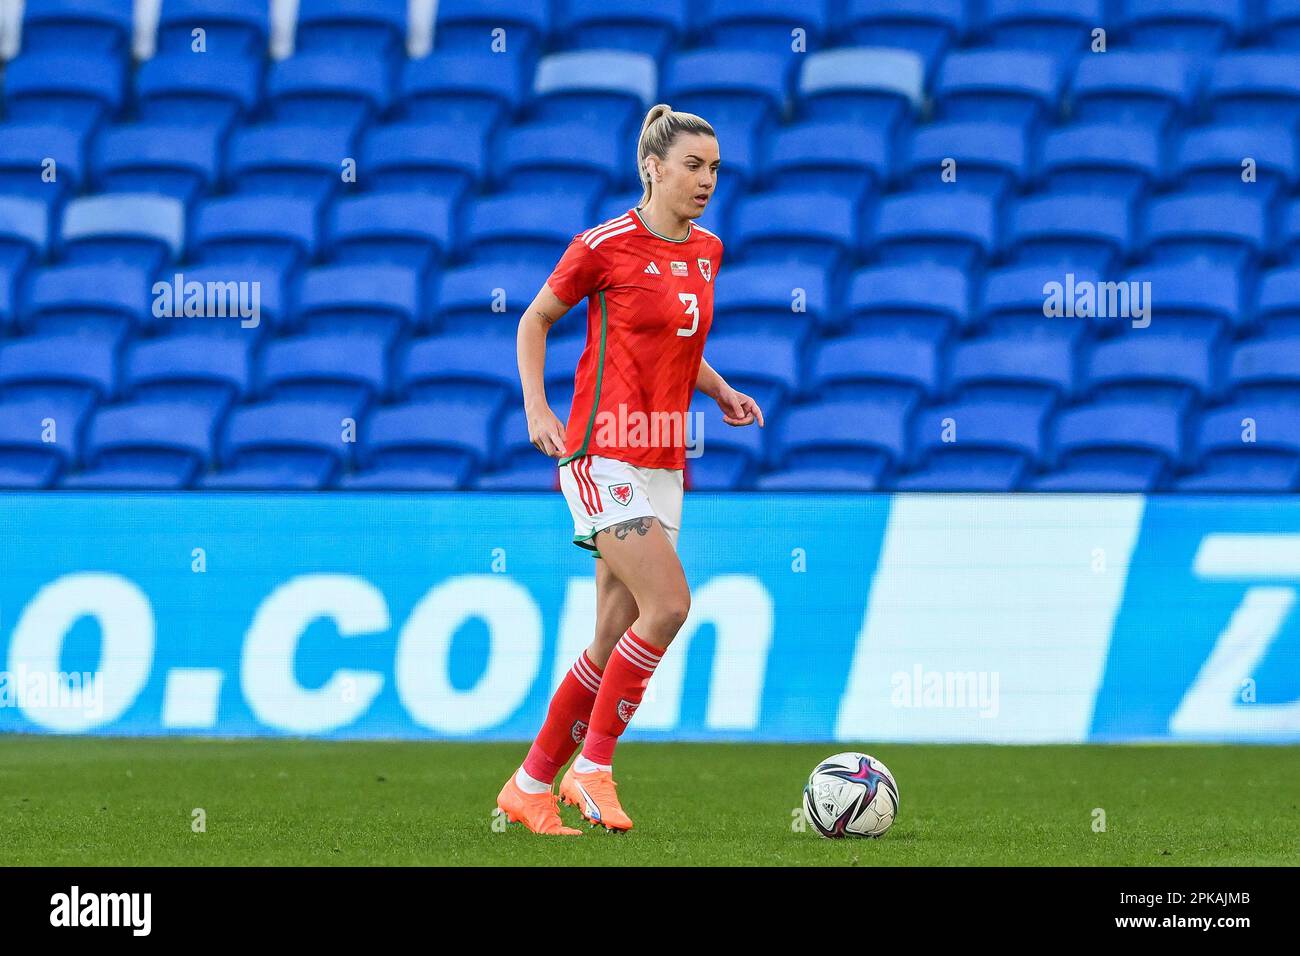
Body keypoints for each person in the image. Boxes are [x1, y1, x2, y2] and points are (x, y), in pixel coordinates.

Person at [496, 104, 764, 834]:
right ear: (652, 167)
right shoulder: (603, 245)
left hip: (664, 458)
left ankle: (528, 784)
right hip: (599, 451)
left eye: (714, 168)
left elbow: (674, 342)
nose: (707, 180)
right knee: (671, 605)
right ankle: (594, 769)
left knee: (611, 639)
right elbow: (534, 321)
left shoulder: (707, 250)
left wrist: (721, 390)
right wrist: (537, 408)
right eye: (692, 166)